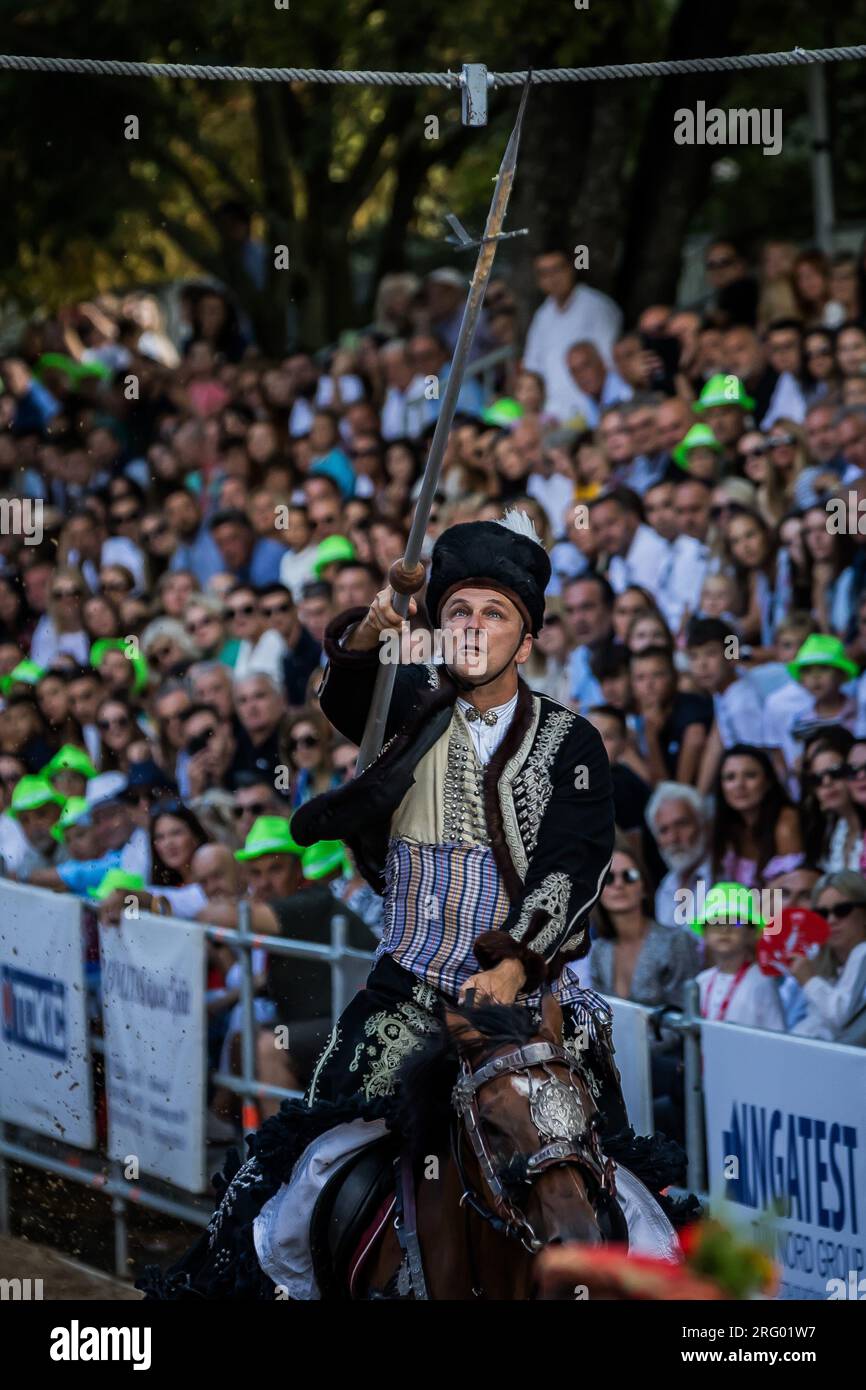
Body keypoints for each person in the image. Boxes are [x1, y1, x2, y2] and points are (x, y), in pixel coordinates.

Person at [144, 510, 687, 1301]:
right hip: (409, 991)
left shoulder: (573, 743)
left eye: (494, 613)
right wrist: (375, 621)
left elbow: (573, 868)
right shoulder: (411, 705)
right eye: (457, 611)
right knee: (300, 1164)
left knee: (630, 1201)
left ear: (526, 642)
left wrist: (509, 968)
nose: (472, 625)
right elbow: (350, 687)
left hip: (530, 1010)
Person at [692, 881, 785, 1031]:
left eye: (735, 922)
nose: (725, 929)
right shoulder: (701, 981)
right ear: (705, 933)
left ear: (751, 932)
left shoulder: (761, 982)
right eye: (716, 921)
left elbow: (777, 1038)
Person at [790, 870, 866, 1042]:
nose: (831, 920)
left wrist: (809, 980)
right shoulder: (823, 957)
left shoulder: (862, 952)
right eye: (822, 914)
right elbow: (817, 1024)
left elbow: (841, 1019)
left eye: (842, 910)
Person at [645, 782, 712, 929]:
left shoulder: (724, 874)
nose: (673, 838)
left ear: (703, 824)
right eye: (663, 830)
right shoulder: (666, 888)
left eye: (682, 824)